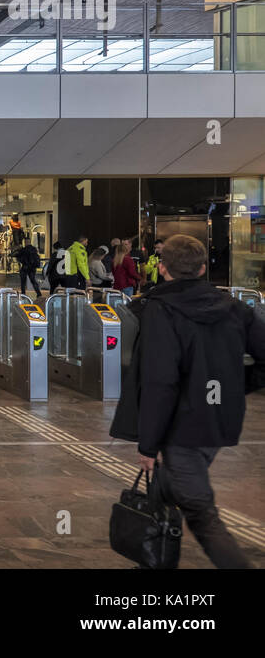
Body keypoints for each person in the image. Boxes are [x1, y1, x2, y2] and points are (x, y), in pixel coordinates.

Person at [109, 234, 265, 569]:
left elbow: (160, 381)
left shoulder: (161, 310)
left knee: (201, 515)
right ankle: (154, 557)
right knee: (165, 489)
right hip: (219, 420)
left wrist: (148, 445)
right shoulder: (235, 308)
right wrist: (237, 386)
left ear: (162, 269)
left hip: (182, 426)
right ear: (203, 268)